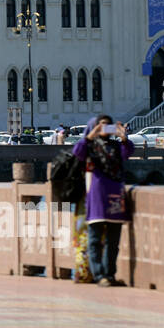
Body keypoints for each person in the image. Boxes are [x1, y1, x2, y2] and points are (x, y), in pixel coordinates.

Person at [70, 115, 133, 287]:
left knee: (113, 241)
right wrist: (90, 136)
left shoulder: (116, 146)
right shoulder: (89, 146)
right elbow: (77, 153)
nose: (104, 128)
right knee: (95, 239)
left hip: (115, 195)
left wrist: (123, 137)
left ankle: (109, 274)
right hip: (96, 197)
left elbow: (128, 152)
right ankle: (99, 275)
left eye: (107, 125)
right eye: (100, 125)